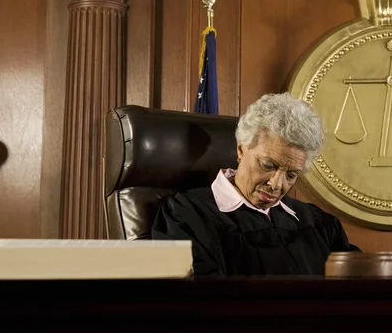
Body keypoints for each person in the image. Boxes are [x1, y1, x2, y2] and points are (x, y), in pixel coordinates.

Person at [151, 92, 360, 276]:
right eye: (268, 165)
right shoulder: (187, 215)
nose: (277, 185)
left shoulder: (317, 222)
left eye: (292, 175)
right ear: (241, 149)